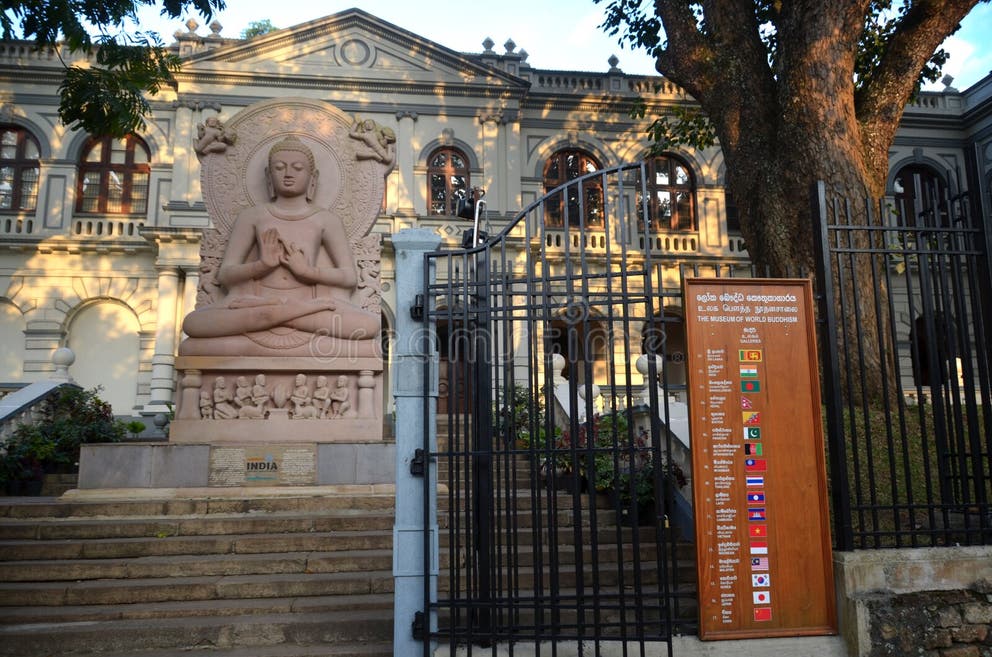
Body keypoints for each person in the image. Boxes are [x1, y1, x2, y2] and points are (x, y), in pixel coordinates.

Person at [182, 135, 379, 342]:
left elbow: (349, 277)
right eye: (279, 167)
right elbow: (225, 275)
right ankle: (291, 314)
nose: (287, 174)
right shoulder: (252, 217)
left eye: (297, 168)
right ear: (269, 175)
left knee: (369, 325)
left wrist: (307, 271)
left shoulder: (326, 220)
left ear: (313, 176)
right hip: (261, 299)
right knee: (193, 323)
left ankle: (273, 316)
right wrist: (262, 265)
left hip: (299, 302)